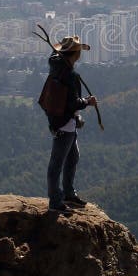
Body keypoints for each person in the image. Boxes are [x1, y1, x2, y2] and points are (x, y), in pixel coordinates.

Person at [46, 35, 98, 212]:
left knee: (73, 157)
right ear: (76, 54)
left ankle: (68, 194)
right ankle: (55, 201)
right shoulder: (69, 75)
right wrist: (88, 102)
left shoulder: (57, 67)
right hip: (65, 124)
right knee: (57, 163)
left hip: (61, 121)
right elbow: (73, 103)